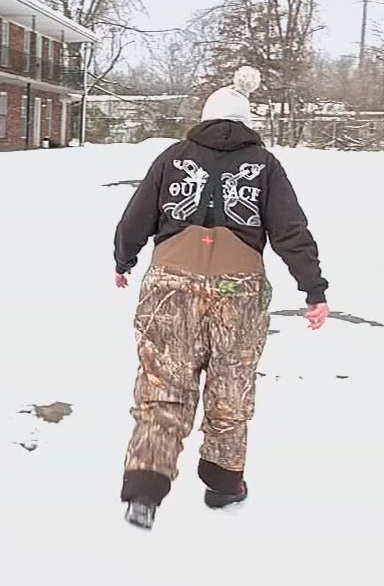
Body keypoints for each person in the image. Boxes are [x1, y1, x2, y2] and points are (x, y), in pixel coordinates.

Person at [112, 65, 329, 530]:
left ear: (206, 117)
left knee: (163, 386)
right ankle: (224, 484)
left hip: (170, 284)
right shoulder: (265, 165)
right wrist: (313, 289)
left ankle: (145, 490)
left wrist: (123, 260)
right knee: (231, 386)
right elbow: (290, 230)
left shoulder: (173, 157)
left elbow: (136, 216)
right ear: (246, 122)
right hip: (239, 288)